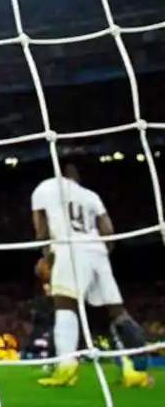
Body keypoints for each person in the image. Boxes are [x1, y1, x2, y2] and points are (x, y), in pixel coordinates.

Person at [31, 163, 152, 388]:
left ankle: (66, 368)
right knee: (117, 312)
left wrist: (48, 258)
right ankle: (135, 370)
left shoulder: (45, 188)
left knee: (65, 307)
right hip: (97, 250)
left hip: (68, 248)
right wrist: (99, 256)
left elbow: (42, 230)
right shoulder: (90, 195)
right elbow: (108, 230)